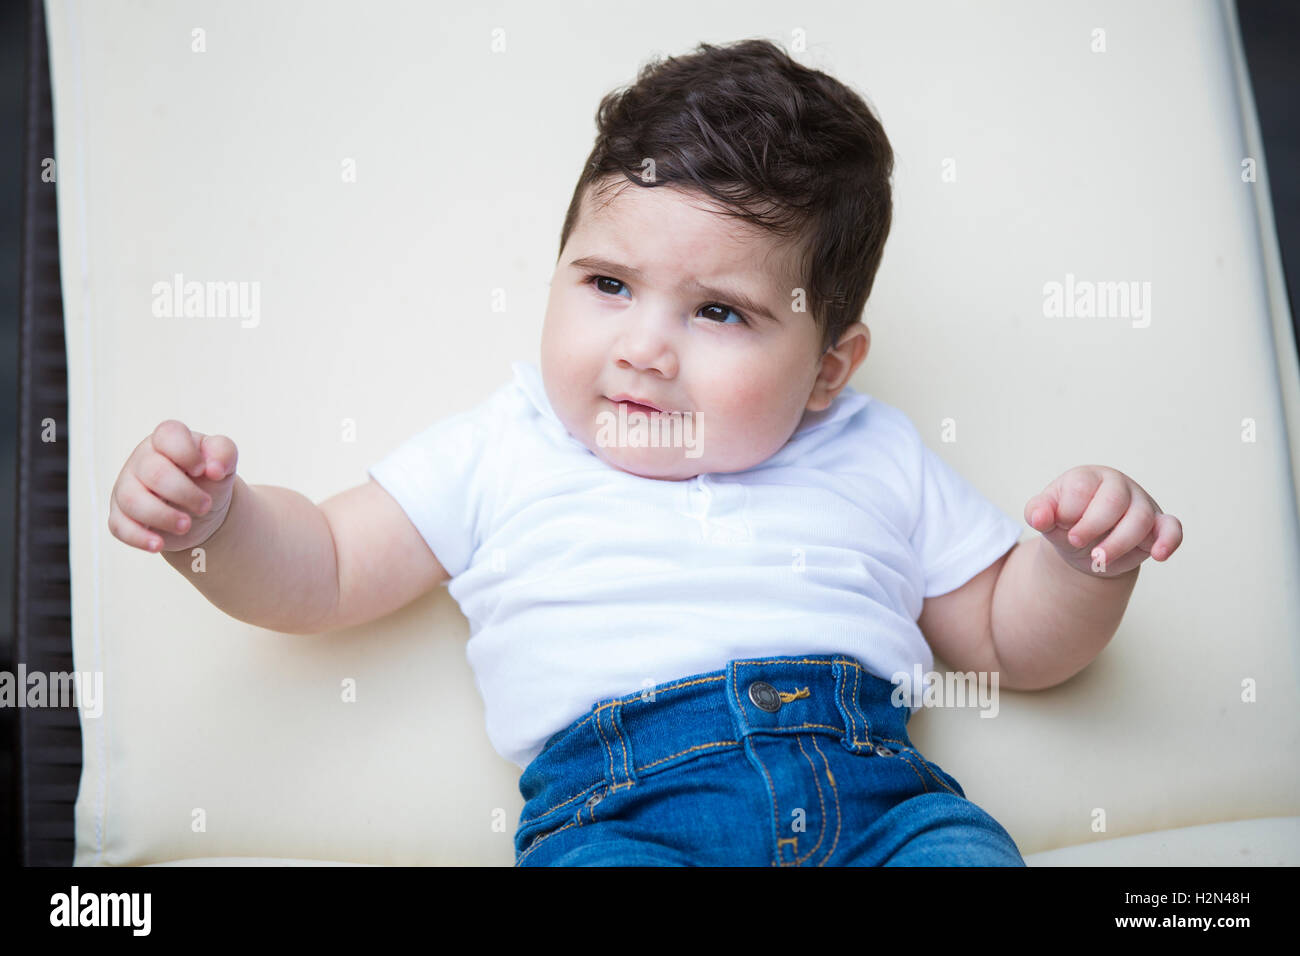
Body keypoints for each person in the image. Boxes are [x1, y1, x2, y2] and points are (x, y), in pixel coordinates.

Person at [107, 38, 1183, 866]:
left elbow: (1006, 642)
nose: (643, 349)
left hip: (879, 809)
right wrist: (220, 526)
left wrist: (1081, 564)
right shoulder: (505, 447)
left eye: (718, 311)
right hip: (620, 816)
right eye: (609, 284)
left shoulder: (872, 448)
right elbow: (329, 567)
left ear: (827, 368)